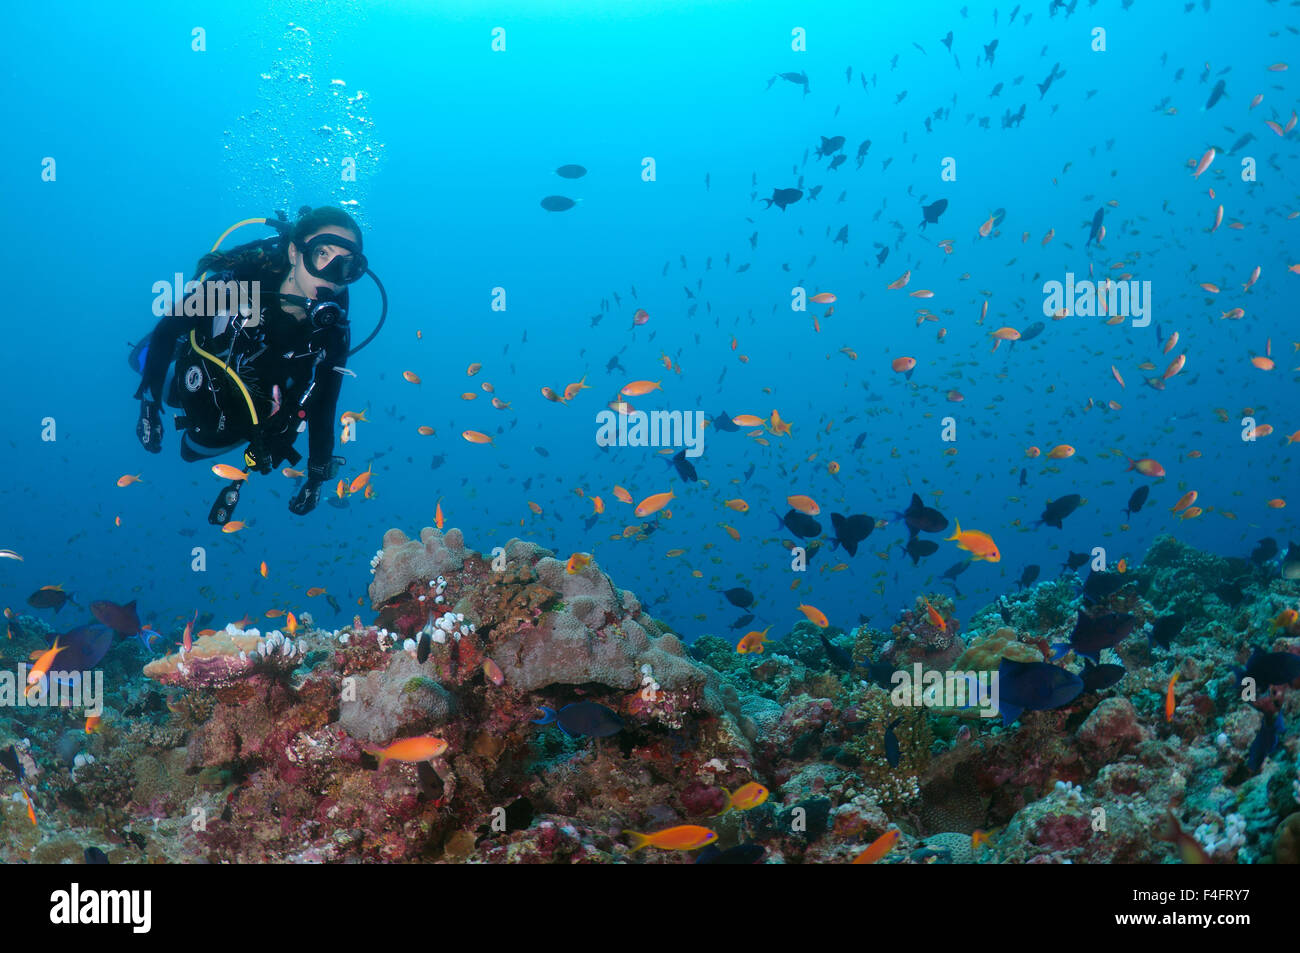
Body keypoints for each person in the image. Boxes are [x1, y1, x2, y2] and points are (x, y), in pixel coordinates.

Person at [133, 206, 366, 524]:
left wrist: (315, 475)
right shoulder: (244, 280)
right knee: (163, 375)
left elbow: (325, 400)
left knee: (196, 449)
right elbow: (167, 328)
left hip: (253, 381)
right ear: (295, 252)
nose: (330, 273)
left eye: (346, 265)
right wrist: (148, 401)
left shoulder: (332, 329)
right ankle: (160, 367)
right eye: (322, 253)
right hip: (206, 349)